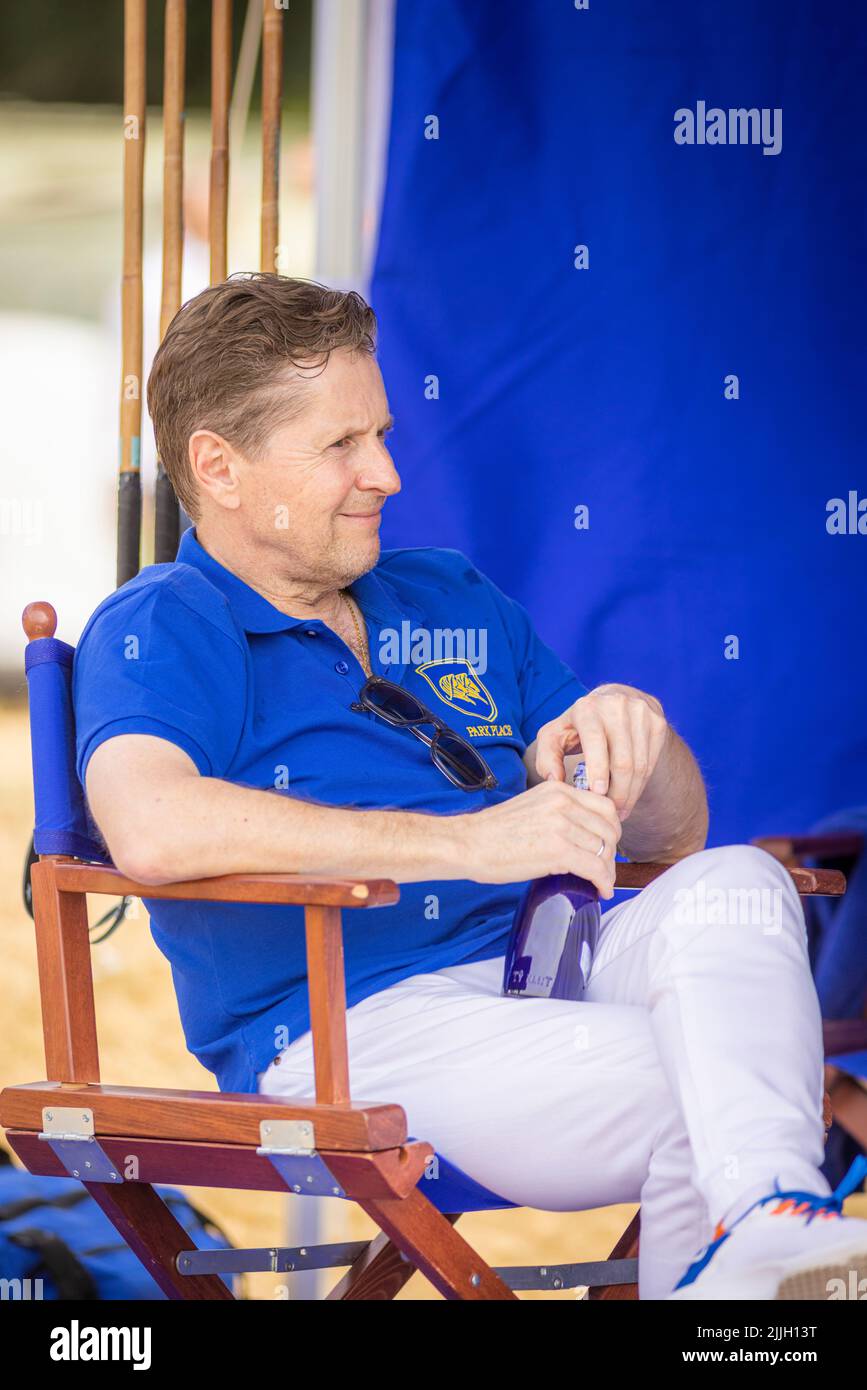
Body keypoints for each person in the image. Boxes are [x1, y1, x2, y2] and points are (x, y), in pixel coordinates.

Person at [73, 274, 867, 1299]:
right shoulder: (163, 621)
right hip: (348, 1023)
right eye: (342, 446)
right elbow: (151, 826)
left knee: (735, 884)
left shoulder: (446, 591)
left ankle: (764, 1223)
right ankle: (757, 1240)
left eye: (383, 434)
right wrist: (472, 843)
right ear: (219, 468)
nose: (389, 474)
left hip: (548, 962)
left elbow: (675, 828)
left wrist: (638, 734)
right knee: (731, 1091)